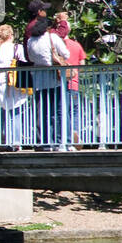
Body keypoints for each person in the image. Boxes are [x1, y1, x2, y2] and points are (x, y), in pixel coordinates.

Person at [26, 8, 69, 150]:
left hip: (38, 80)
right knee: (57, 111)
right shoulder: (52, 37)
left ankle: (42, 142)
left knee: (41, 112)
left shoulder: (31, 40)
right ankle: (58, 141)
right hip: (54, 79)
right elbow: (66, 54)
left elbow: (30, 58)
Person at [0, 23, 26, 150]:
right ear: (10, 35)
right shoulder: (17, 48)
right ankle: (16, 141)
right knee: (16, 112)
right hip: (13, 80)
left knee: (1, 113)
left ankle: (3, 140)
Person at [54, 12, 86, 150]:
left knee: (61, 111)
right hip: (74, 83)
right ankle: (75, 133)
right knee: (74, 111)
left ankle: (63, 138)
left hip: (58, 82)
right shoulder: (76, 45)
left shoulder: (55, 44)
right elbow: (82, 65)